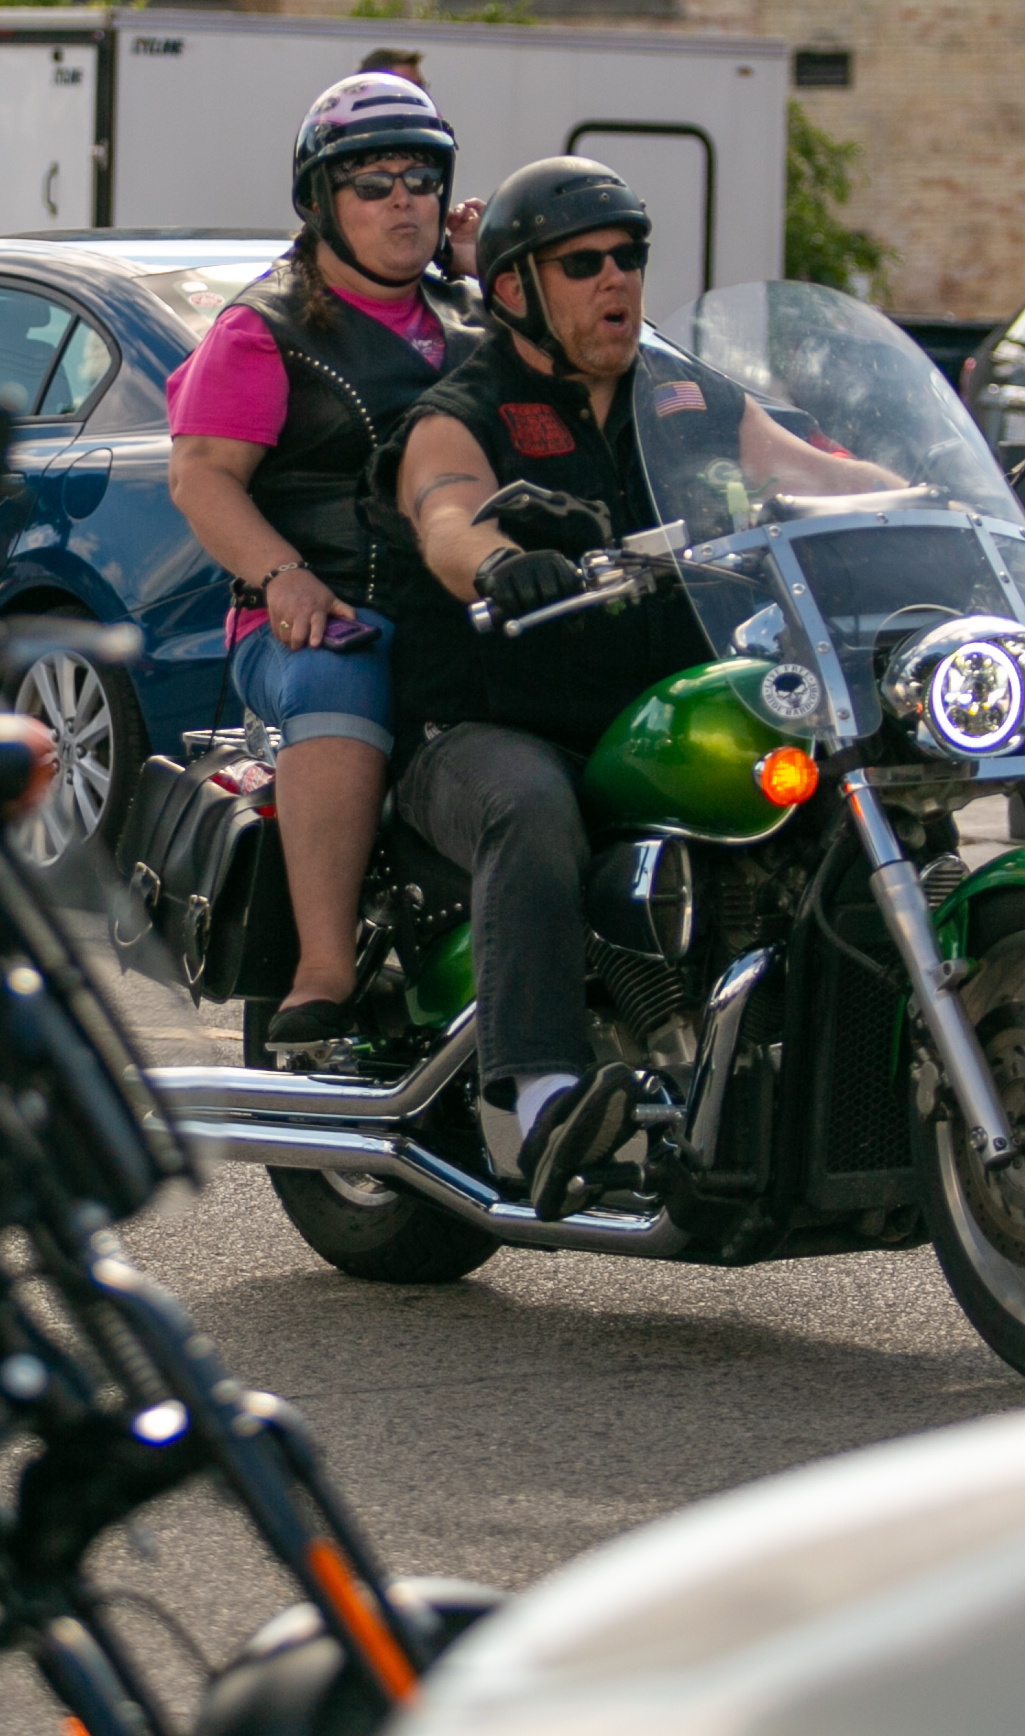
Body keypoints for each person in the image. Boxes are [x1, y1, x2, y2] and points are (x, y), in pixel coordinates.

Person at [370, 157, 894, 1216]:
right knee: (529, 802)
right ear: (514, 286)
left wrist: (945, 508)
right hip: (482, 726)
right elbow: (442, 510)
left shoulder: (684, 394)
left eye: (628, 257)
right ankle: (537, 1100)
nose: (615, 281)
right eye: (582, 264)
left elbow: (818, 476)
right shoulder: (462, 406)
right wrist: (495, 558)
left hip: (644, 712)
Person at [166, 74, 485, 1047]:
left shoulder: (469, 317)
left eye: (420, 179)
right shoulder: (263, 330)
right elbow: (200, 477)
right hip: (316, 611)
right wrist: (281, 573)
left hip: (461, 603)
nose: (402, 201)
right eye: (372, 182)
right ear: (319, 203)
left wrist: (494, 275)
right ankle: (323, 963)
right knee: (340, 669)